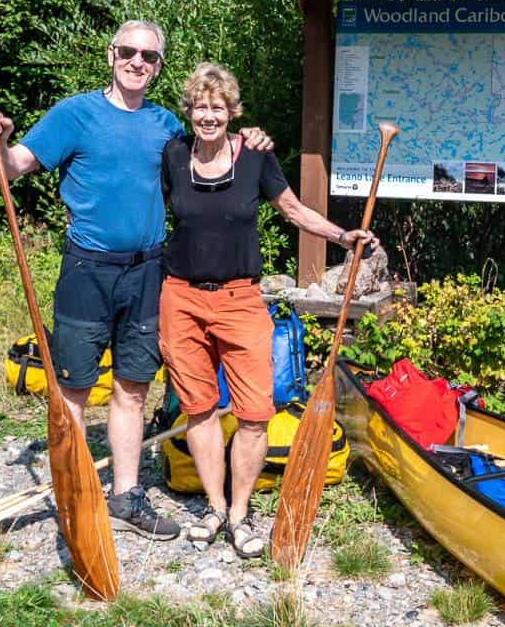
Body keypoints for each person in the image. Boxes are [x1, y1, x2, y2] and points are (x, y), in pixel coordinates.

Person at [0, 21, 273, 540]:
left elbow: (212, 149)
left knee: (132, 388)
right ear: (111, 54)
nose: (137, 61)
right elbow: (13, 166)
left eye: (149, 56)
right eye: (129, 51)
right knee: (73, 387)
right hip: (88, 269)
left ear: (158, 67)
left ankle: (125, 496)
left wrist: (251, 138)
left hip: (150, 271)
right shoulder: (74, 114)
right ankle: (71, 490)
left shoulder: (164, 127)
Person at [159, 62, 376, 557]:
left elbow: (294, 210)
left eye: (218, 108)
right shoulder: (173, 155)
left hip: (240, 300)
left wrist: (344, 236)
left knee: (255, 414)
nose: (208, 116)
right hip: (181, 298)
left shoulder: (255, 156)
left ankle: (240, 515)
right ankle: (214, 507)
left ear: (232, 113)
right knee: (198, 408)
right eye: (200, 107)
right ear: (189, 111)